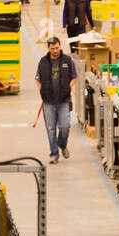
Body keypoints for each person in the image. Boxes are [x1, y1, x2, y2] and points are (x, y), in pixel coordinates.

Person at [35, 36, 77, 164]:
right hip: (48, 102)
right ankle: (54, 154)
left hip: (63, 101)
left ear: (60, 46)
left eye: (57, 47)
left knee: (65, 127)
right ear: (48, 48)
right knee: (51, 129)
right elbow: (37, 79)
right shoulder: (43, 62)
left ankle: (62, 145)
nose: (55, 50)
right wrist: (43, 90)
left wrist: (68, 88)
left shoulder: (67, 60)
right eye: (52, 48)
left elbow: (74, 77)